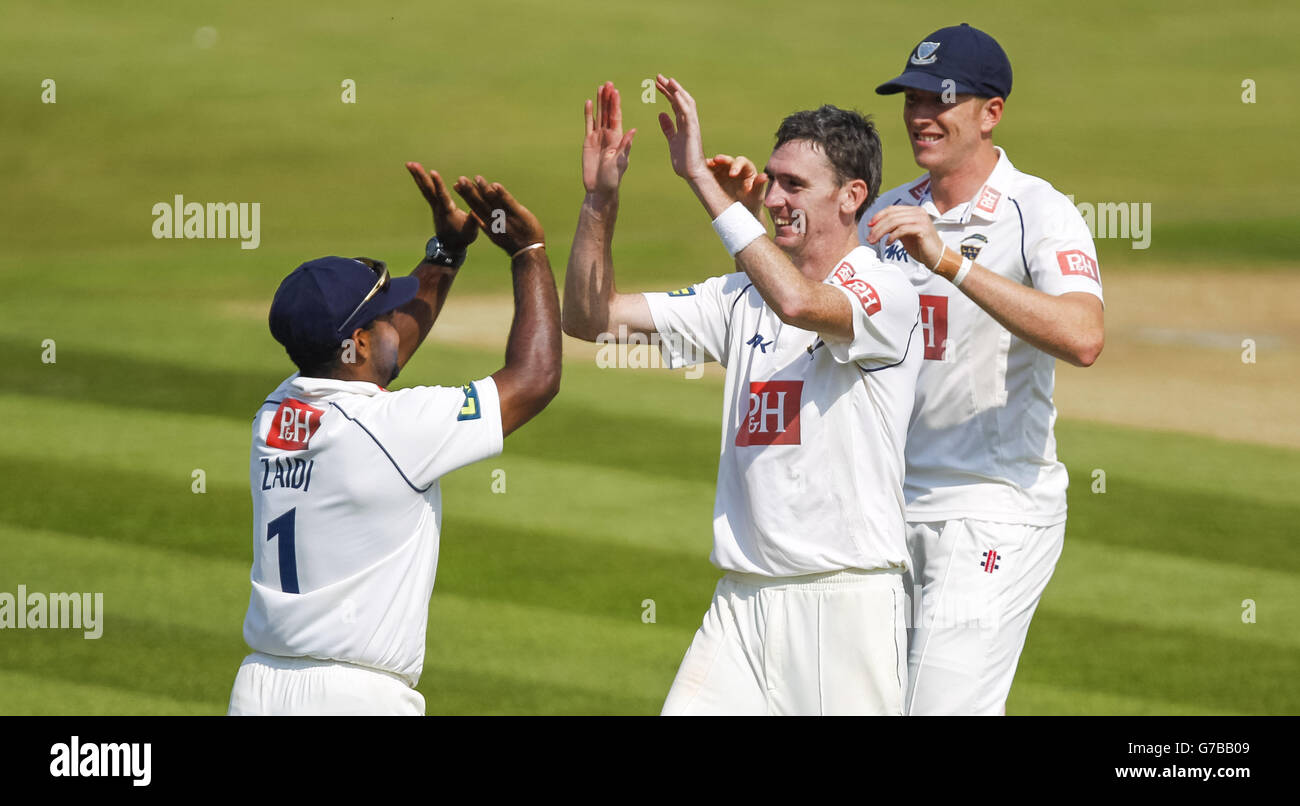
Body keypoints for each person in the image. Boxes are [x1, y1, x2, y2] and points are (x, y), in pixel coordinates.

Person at [563, 78, 921, 715]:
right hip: (740, 601)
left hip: (843, 602)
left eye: (794, 185)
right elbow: (591, 319)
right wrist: (600, 202)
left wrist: (699, 180)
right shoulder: (737, 298)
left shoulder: (885, 291)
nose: (773, 196)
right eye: (774, 179)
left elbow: (801, 303)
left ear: (852, 197)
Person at [227, 164, 561, 715]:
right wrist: (530, 251)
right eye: (383, 317)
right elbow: (535, 378)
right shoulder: (394, 430)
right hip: (352, 700)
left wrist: (447, 253)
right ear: (356, 344)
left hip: (260, 688)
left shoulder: (276, 413)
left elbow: (380, 359)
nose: (395, 323)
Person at [861, 23, 1106, 715]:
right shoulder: (886, 213)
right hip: (888, 510)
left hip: (993, 508)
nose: (919, 115)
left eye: (939, 98)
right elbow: (809, 309)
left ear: (990, 112)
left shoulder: (1038, 210)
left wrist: (951, 263)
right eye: (910, 98)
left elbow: (1084, 335)